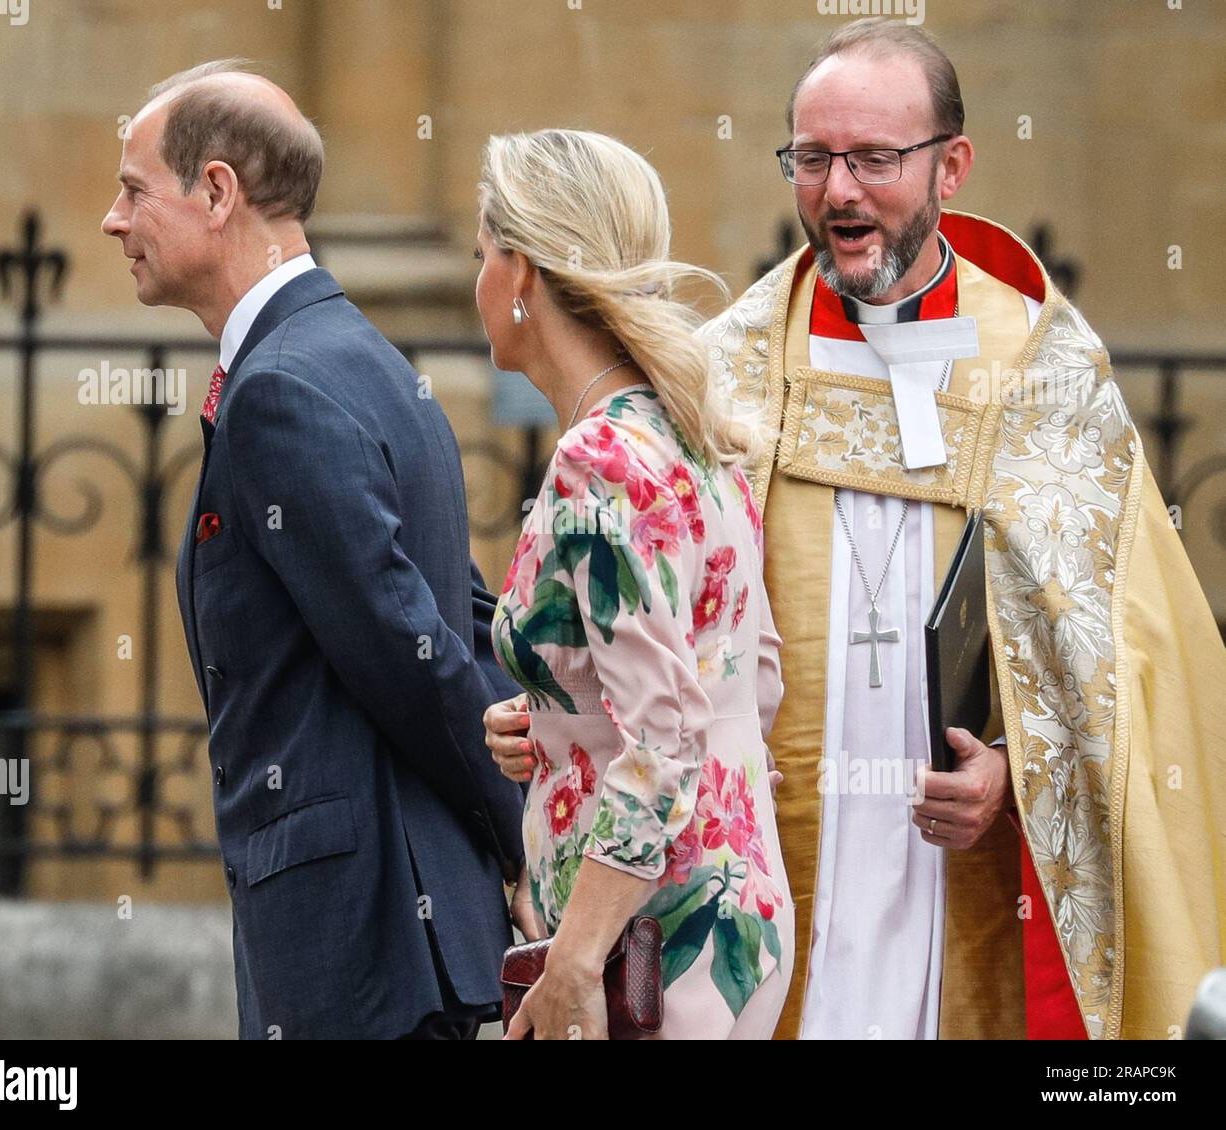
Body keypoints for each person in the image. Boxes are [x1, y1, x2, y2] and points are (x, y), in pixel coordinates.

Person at [700, 18, 1226, 1038]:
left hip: (961, 874)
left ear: (953, 164)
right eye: (813, 159)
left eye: (874, 159)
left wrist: (1008, 766)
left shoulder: (1040, 372)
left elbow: (1124, 664)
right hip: (778, 842)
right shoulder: (728, 372)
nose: (839, 192)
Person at [102, 60, 524, 1039]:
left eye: (132, 190)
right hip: (395, 953)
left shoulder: (283, 387)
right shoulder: (359, 355)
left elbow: (409, 642)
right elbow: (457, 626)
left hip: (361, 963)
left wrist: (524, 844)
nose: (113, 222)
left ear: (217, 192)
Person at [477, 129, 794, 1040]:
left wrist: (575, 960)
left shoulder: (600, 459)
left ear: (523, 272)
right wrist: (551, 718)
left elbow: (661, 735)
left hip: (642, 942)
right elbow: (747, 675)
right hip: (731, 901)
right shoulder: (697, 434)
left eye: (480, 254)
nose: (477, 284)